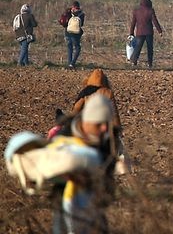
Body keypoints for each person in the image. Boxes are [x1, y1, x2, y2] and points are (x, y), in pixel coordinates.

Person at [7, 92, 117, 233]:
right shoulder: (64, 136)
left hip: (93, 206)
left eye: (107, 123)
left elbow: (107, 175)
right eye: (99, 123)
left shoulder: (108, 142)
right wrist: (63, 178)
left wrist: (90, 182)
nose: (105, 129)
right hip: (64, 204)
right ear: (87, 121)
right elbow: (48, 167)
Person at [127, 0, 162, 68]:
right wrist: (159, 31)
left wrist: (131, 33)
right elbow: (155, 21)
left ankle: (134, 61)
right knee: (150, 48)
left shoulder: (136, 11)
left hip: (139, 32)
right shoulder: (150, 10)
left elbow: (133, 23)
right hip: (149, 32)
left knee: (137, 48)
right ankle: (150, 64)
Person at [59, 1, 85, 69]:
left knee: (69, 48)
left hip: (67, 32)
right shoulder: (81, 14)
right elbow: (81, 24)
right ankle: (72, 63)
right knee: (77, 48)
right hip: (75, 34)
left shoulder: (67, 12)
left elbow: (63, 22)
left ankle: (69, 63)